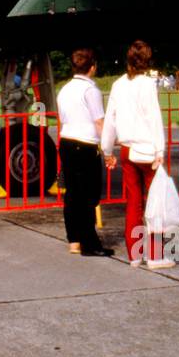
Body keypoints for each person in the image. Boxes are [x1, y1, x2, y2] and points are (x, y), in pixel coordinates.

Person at [101, 40, 170, 269]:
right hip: (147, 150)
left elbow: (110, 119)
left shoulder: (119, 85)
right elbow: (154, 118)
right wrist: (160, 149)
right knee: (155, 203)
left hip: (127, 150)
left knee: (133, 203)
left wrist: (107, 150)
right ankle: (155, 255)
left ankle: (134, 254)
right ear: (147, 60)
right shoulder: (148, 85)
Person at [54, 48, 113, 257]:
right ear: (93, 67)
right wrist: (108, 150)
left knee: (72, 193)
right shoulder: (91, 90)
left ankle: (74, 240)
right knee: (89, 195)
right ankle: (90, 243)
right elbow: (99, 121)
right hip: (85, 144)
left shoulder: (64, 90)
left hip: (66, 142)